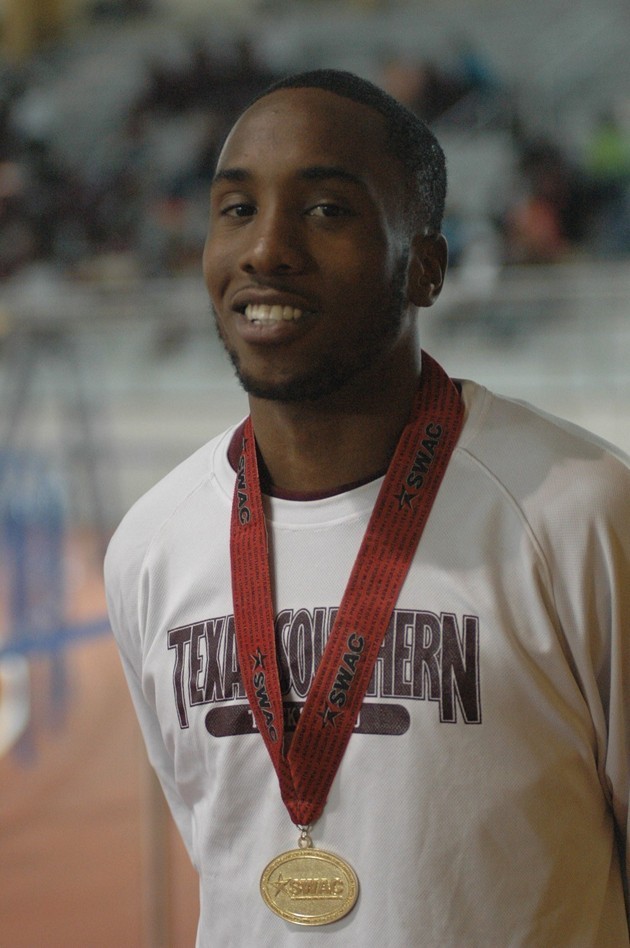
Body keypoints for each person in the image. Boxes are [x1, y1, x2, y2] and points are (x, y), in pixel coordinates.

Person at [104, 69, 630, 946]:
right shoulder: (151, 547)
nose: (266, 248)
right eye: (236, 209)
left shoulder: (579, 516)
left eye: (326, 211)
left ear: (424, 267)